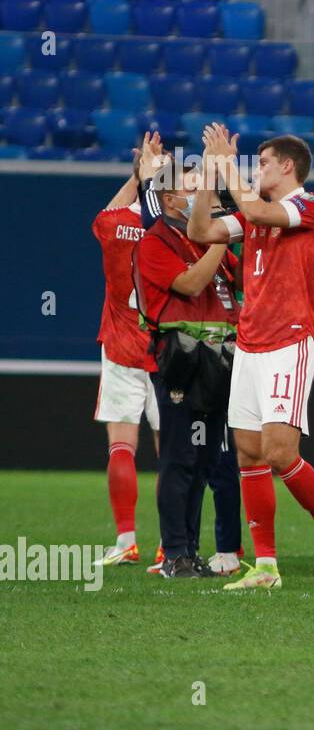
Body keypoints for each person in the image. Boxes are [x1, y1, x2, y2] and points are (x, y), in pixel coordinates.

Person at [187, 128, 314, 592]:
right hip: (250, 343)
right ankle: (265, 566)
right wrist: (208, 174)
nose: (254, 170)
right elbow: (200, 231)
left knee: (281, 452)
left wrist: (226, 166)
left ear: (287, 167)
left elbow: (260, 209)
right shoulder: (254, 214)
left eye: (262, 163)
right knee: (248, 453)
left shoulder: (309, 206)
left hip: (289, 342)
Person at [132, 161, 240, 579]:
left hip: (215, 362)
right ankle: (174, 552)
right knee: (179, 458)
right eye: (193, 187)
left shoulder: (204, 241)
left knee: (204, 459)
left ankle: (190, 551)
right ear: (168, 198)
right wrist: (221, 237)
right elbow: (192, 284)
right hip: (180, 363)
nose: (204, 196)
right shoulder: (155, 242)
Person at [90, 139, 162, 568]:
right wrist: (152, 175)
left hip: (121, 347)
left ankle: (126, 539)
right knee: (170, 453)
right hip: (166, 351)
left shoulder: (116, 225)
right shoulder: (174, 228)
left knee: (121, 446)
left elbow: (103, 216)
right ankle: (169, 542)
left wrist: (138, 172)